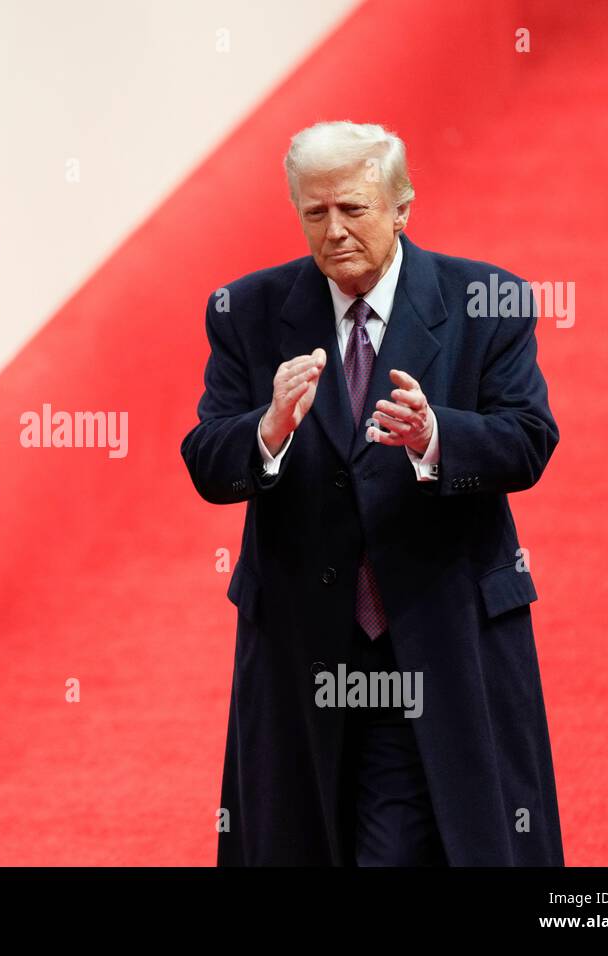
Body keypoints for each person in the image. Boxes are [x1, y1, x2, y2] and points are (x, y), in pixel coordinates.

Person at [180, 121, 563, 866]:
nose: (335, 231)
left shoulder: (488, 301)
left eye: (354, 210)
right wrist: (267, 429)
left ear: (402, 208)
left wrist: (435, 437)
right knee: (303, 838)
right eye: (315, 213)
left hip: (439, 631)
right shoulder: (247, 311)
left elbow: (528, 439)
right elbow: (205, 457)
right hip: (303, 648)